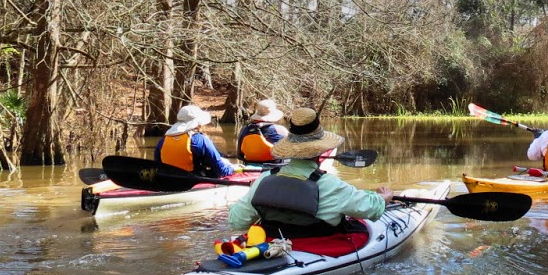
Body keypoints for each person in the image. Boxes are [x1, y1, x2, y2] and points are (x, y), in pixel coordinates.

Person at [227, 106, 393, 254]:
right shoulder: (330, 185)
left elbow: (236, 221)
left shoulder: (265, 178)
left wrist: (256, 191)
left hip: (271, 246)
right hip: (316, 247)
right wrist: (383, 199)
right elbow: (371, 209)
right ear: (320, 150)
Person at [155, 104, 238, 179]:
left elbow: (157, 166)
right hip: (193, 182)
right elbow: (221, 171)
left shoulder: (163, 140)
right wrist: (233, 168)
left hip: (169, 181)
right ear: (198, 125)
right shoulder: (200, 140)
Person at [237, 98, 288, 163]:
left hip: (250, 164)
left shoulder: (245, 129)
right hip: (275, 166)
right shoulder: (280, 130)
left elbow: (239, 156)